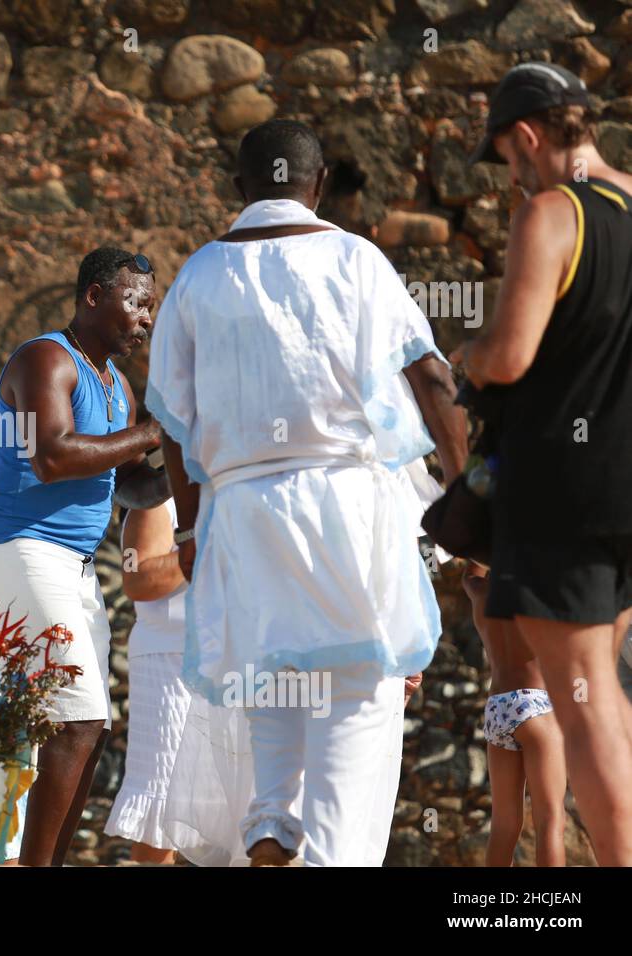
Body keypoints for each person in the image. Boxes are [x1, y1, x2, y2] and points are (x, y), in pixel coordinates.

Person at [148, 119, 467, 866]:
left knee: (277, 724)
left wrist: (190, 533)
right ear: (319, 186)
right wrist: (468, 493)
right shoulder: (355, 259)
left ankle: (271, 838)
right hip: (344, 509)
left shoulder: (196, 276)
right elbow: (431, 378)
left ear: (239, 187)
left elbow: (168, 420)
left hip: (242, 519)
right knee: (355, 715)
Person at [455, 61, 632, 865]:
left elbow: (511, 354)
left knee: (584, 701)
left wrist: (470, 352)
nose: (512, 179)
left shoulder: (554, 212)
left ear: (528, 136)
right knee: (610, 695)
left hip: (567, 488)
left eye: (510, 159)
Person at [0, 246, 169, 866]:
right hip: (22, 549)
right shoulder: (44, 359)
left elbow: (130, 481)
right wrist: (155, 431)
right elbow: (51, 457)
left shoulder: (117, 385)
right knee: (77, 722)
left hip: (74, 566)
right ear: (93, 297)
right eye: (135, 303)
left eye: (150, 308)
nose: (145, 320)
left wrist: (196, 466)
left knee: (90, 728)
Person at [103, 497, 189, 864]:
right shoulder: (159, 495)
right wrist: (214, 536)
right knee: (161, 815)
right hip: (170, 669)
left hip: (233, 665)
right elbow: (140, 579)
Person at [462, 566, 566, 866]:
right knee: (551, 819)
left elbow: (471, 567)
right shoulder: (537, 591)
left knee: (504, 824)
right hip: (536, 705)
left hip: (497, 708)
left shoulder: (480, 592)